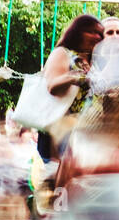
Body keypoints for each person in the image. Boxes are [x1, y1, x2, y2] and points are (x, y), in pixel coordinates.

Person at [39, 14, 104, 156]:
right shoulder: (63, 53)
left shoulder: (94, 62)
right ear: (77, 33)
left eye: (100, 33)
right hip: (63, 130)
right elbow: (52, 86)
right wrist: (73, 77)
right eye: (91, 32)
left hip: (89, 131)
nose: (97, 37)